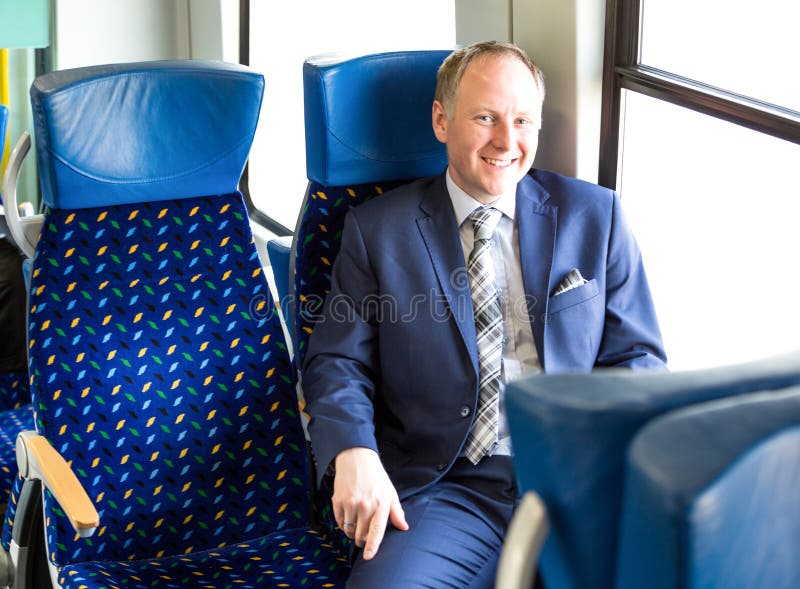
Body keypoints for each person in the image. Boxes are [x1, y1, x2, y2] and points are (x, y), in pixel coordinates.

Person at [302, 41, 667, 588]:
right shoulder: (378, 231)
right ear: (441, 120)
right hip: (446, 486)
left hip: (574, 481)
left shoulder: (596, 217)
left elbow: (638, 358)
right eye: (485, 117)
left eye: (523, 120)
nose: (506, 140)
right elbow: (336, 362)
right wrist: (354, 451)